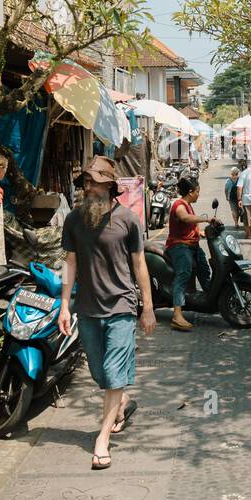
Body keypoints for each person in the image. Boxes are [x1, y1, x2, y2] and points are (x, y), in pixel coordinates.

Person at [59, 155, 156, 471]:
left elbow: (139, 264)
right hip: (87, 308)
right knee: (100, 374)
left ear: (110, 186)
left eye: (95, 183)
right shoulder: (74, 221)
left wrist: (148, 308)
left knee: (113, 373)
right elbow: (70, 263)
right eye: (86, 183)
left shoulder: (128, 220)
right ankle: (122, 402)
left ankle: (102, 440)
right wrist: (63, 306)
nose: (89, 188)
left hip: (121, 307)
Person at [166, 176, 213, 331]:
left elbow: (187, 227)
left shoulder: (188, 204)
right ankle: (177, 315)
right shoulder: (179, 205)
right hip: (179, 246)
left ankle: (210, 300)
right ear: (191, 192)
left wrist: (200, 233)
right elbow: (185, 218)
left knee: (204, 269)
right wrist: (206, 219)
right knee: (184, 273)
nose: (199, 194)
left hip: (192, 245)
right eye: (197, 191)